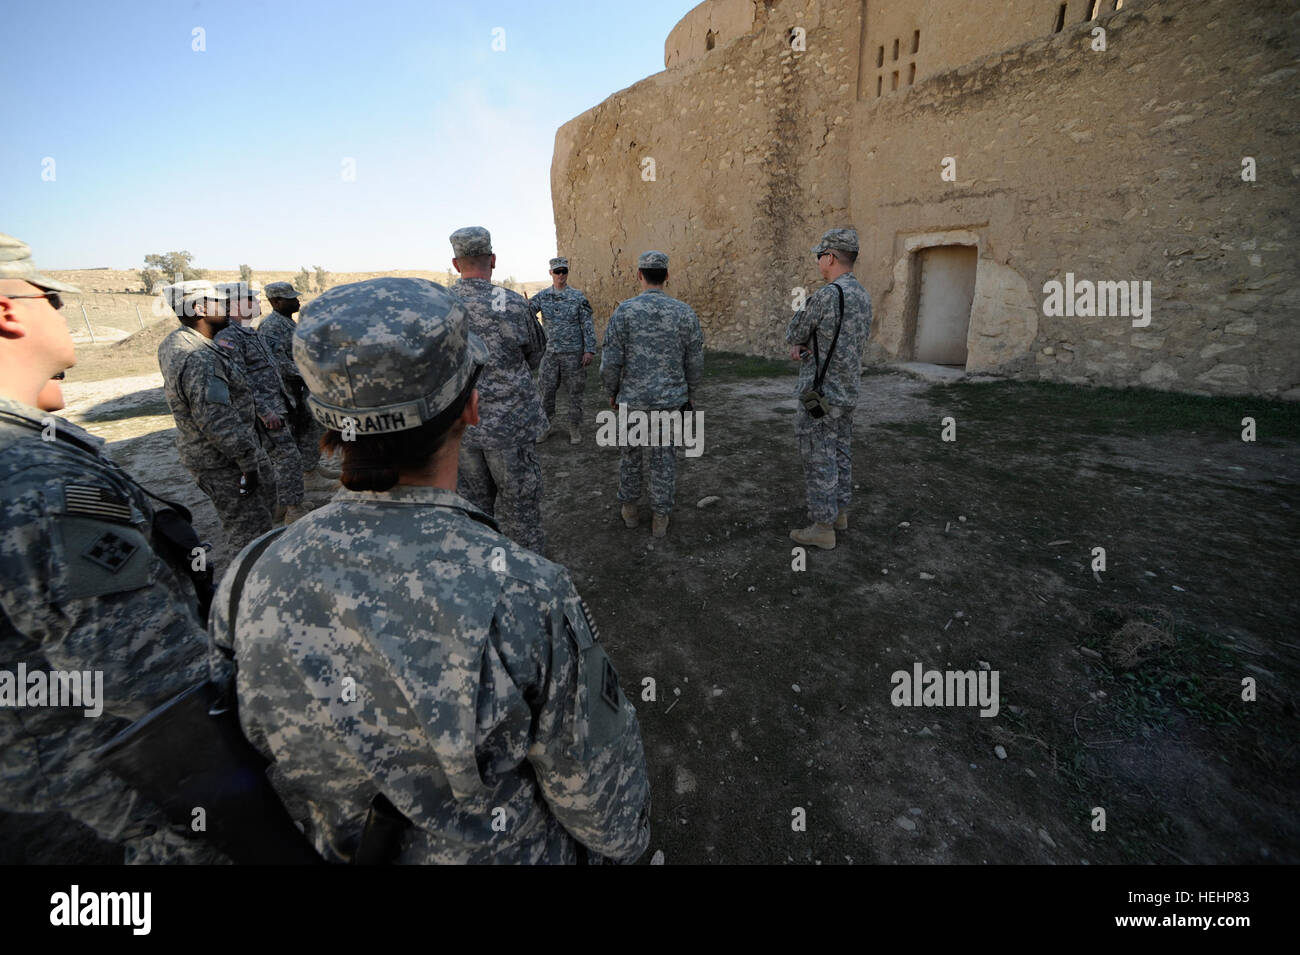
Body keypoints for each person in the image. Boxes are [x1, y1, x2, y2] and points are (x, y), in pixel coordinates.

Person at [210, 277, 651, 864]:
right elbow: (604, 808)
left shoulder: (248, 575)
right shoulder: (526, 591)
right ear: (471, 405)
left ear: (326, 424)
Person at [0, 233, 226, 863]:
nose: (59, 310)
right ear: (7, 310)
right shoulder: (36, 477)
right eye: (51, 297)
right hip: (100, 802)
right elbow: (152, 677)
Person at [157, 280, 277, 558]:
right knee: (250, 533)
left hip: (221, 455)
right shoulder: (199, 356)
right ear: (199, 308)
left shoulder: (177, 342)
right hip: (226, 462)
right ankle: (248, 590)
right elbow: (216, 418)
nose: (226, 307)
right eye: (218, 302)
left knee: (258, 522)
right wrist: (248, 462)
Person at [448, 227, 549, 554]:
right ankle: (532, 580)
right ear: (492, 259)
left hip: (462, 427)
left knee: (474, 511)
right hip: (511, 427)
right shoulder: (511, 303)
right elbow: (536, 354)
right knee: (522, 509)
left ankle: (482, 576)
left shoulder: (440, 306)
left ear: (454, 263)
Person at [600, 250, 704, 538]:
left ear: (639, 275)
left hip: (632, 401)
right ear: (667, 276)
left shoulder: (625, 312)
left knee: (630, 456)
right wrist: (691, 394)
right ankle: (661, 516)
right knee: (664, 459)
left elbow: (611, 360)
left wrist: (612, 391)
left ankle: (630, 510)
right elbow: (695, 361)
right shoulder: (684, 313)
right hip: (671, 402)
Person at [784, 228, 873, 550]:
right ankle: (839, 512)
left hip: (818, 394)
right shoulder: (863, 296)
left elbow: (795, 330)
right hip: (848, 390)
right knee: (840, 450)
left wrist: (800, 344)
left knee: (818, 453)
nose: (819, 262)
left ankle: (822, 526)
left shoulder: (826, 295)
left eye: (820, 256)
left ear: (831, 257)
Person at [214, 282, 310, 523]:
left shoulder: (246, 330)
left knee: (280, 458)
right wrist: (264, 411)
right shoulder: (228, 336)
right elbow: (239, 380)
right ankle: (294, 510)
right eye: (251, 300)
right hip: (264, 411)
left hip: (275, 403)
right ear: (235, 304)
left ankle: (283, 505)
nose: (258, 303)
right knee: (288, 457)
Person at [260, 281, 333, 487]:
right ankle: (309, 475)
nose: (297, 301)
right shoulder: (271, 327)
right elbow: (279, 364)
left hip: (301, 388)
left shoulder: (288, 323)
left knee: (310, 429)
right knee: (302, 431)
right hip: (288, 391)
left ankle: (310, 466)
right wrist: (312, 372)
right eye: (291, 298)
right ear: (276, 301)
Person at [529, 257, 596, 445]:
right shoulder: (542, 296)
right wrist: (523, 308)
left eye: (564, 271)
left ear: (567, 273)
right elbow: (527, 313)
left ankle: (574, 427)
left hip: (573, 354)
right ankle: (546, 426)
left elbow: (587, 324)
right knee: (546, 393)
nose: (560, 275)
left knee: (575, 393)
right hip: (549, 354)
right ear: (550, 273)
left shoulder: (578, 297)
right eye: (557, 271)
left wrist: (589, 349)